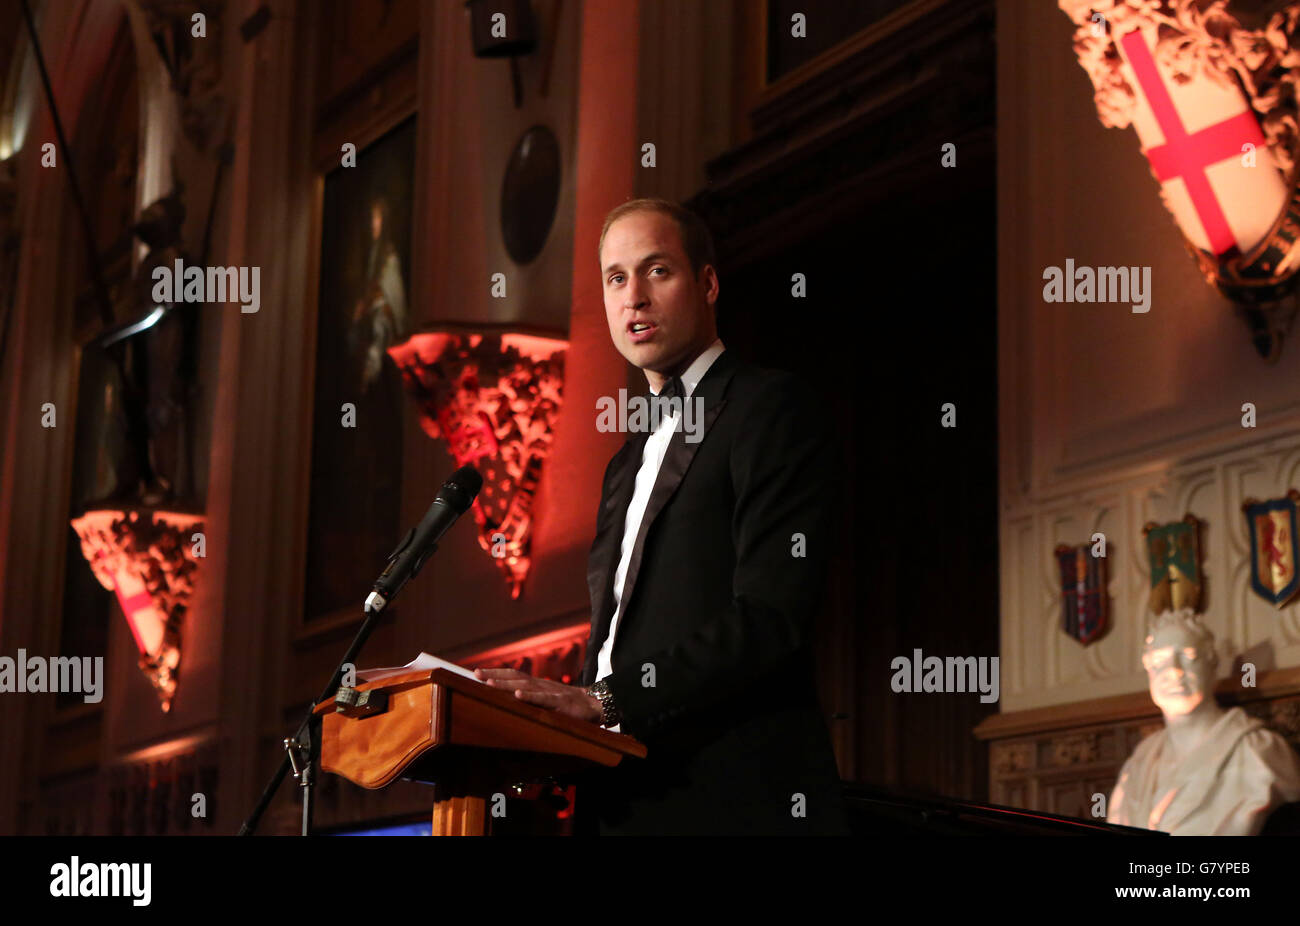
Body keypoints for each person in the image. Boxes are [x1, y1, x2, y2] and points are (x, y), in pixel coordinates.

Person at [475, 198, 849, 834]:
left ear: (707, 283)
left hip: (733, 800)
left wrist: (606, 700)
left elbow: (770, 617)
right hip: (618, 799)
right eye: (616, 278)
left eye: (657, 271)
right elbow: (614, 639)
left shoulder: (769, 408)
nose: (634, 298)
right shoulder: (623, 464)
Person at [1107, 608, 1300, 835]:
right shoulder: (1138, 765)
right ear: (1149, 670)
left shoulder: (1259, 752)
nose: (1174, 671)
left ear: (1212, 666)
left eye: (1188, 657)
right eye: (1160, 660)